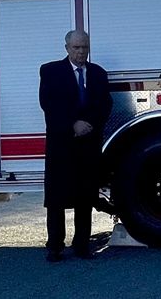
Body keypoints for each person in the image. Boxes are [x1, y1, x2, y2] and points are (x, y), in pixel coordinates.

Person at [39, 30, 112, 262]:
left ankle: (82, 244)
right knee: (57, 198)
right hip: (62, 143)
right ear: (67, 48)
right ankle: (55, 246)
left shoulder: (99, 74)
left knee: (85, 195)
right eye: (76, 48)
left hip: (88, 145)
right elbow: (48, 103)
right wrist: (73, 124)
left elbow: (105, 104)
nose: (81, 52)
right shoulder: (50, 71)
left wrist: (89, 124)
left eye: (84, 47)